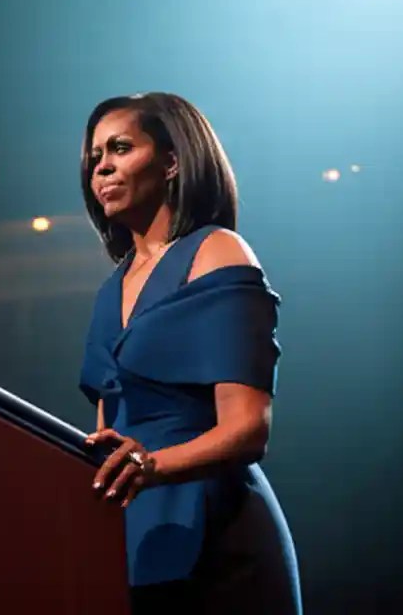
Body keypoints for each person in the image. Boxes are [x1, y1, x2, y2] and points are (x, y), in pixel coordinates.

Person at [77, 92, 302, 613]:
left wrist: (152, 466)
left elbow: (248, 429)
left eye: (120, 148)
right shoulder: (109, 291)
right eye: (95, 158)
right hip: (138, 535)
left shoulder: (216, 250)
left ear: (172, 161)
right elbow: (110, 435)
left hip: (218, 534)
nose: (102, 166)